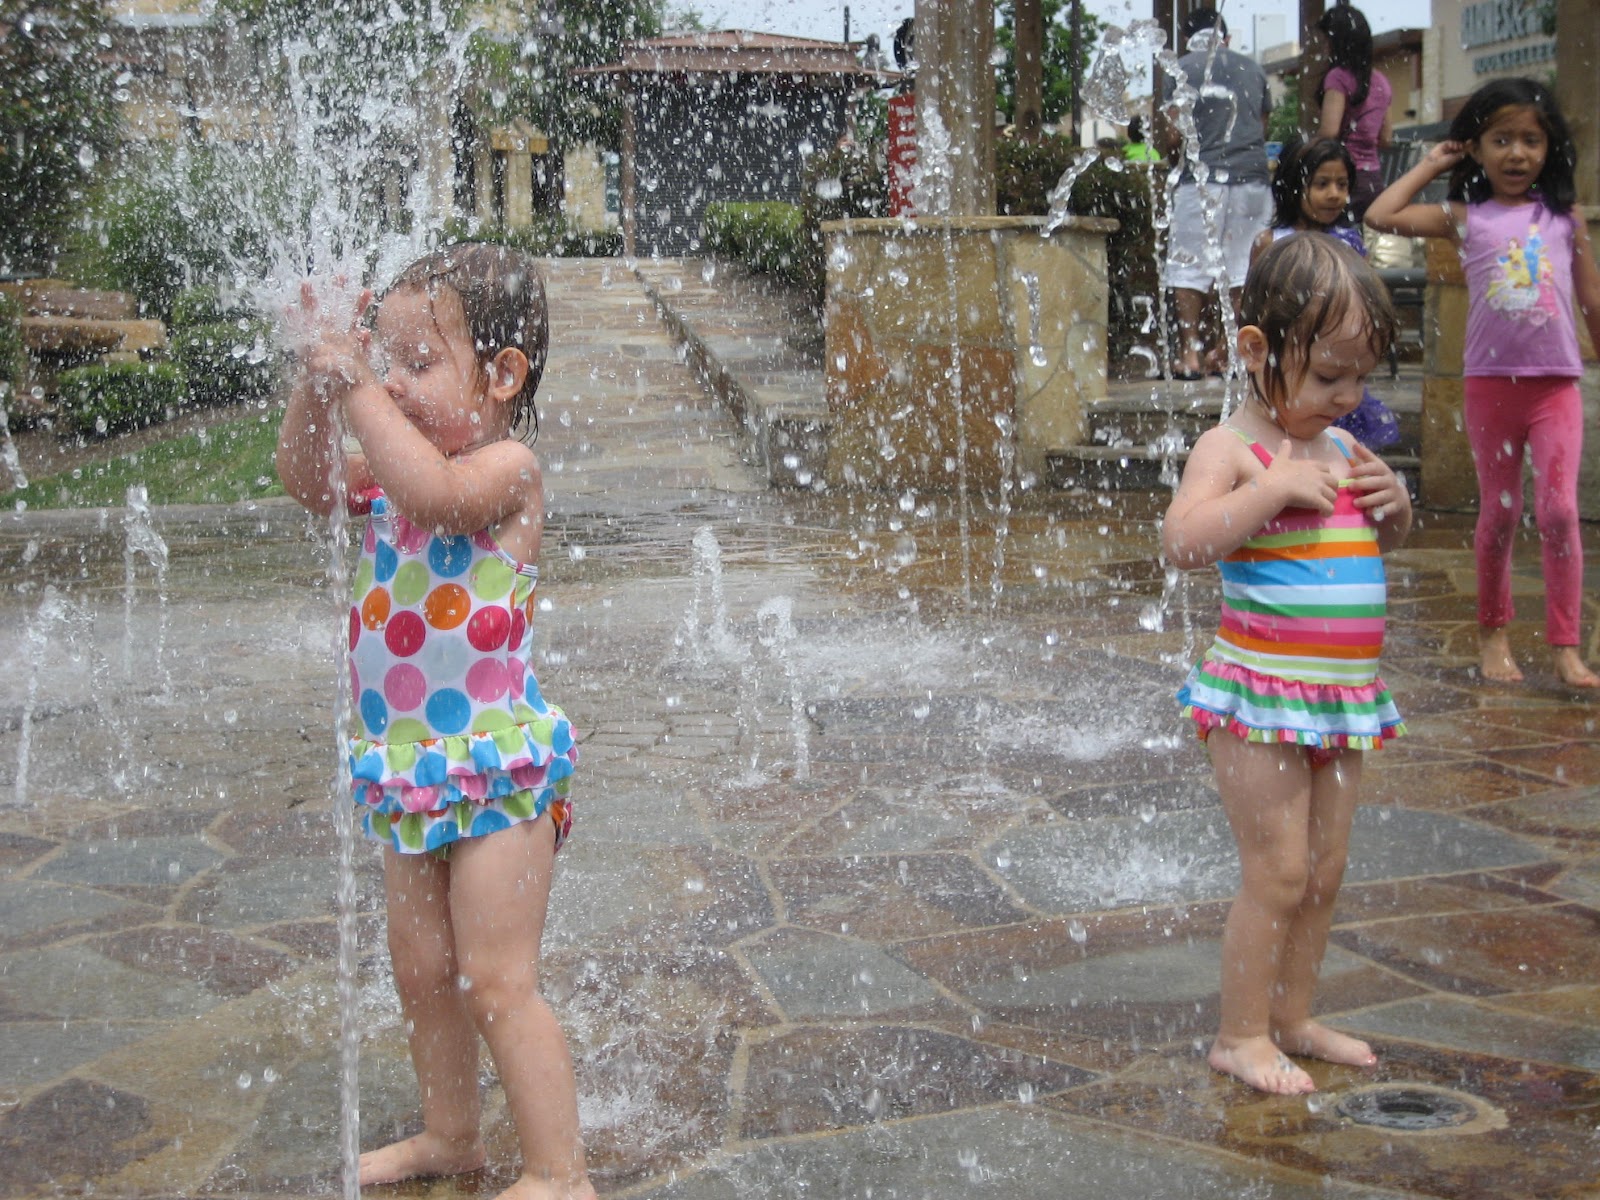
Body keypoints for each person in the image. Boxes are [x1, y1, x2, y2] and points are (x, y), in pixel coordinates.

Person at [276, 243, 598, 1199]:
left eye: (421, 365)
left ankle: (559, 1172)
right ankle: (453, 1134)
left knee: (497, 981)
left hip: (497, 779)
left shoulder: (506, 471)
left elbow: (436, 496)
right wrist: (315, 382)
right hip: (407, 772)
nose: (397, 387)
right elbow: (306, 481)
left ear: (502, 377)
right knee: (422, 972)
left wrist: (361, 384)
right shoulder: (383, 482)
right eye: (391, 359)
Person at [1163, 234, 1411, 1094]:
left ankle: (1295, 1016)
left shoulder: (1341, 450)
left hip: (1342, 700)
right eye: (1329, 377)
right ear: (1258, 351)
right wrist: (1265, 493)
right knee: (1277, 869)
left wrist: (1398, 507)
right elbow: (1182, 542)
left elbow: (1374, 539)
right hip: (1259, 700)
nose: (1347, 398)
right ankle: (1241, 1035)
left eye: (1359, 379)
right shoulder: (1233, 450)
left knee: (1327, 869)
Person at [1366, 77, 1600, 689]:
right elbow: (1380, 214)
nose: (1517, 154)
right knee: (1499, 512)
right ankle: (1492, 634)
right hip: (1491, 387)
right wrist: (1433, 160)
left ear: (1550, 148)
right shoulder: (1464, 218)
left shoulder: (1563, 219)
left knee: (1558, 511)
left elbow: (1593, 298)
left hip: (1555, 389)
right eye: (1500, 140)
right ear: (1477, 147)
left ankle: (1566, 646)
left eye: (1530, 140)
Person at [1252, 136, 1400, 448]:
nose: (1334, 195)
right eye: (1321, 184)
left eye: (1342, 185)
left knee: (1342, 449)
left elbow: (1368, 301)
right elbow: (1252, 305)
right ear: (1292, 186)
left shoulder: (1350, 243)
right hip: (1293, 369)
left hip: (1337, 364)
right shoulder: (1272, 241)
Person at [1156, 6, 1272, 380]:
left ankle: (1190, 354)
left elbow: (1172, 136)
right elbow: (1261, 128)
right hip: (1252, 181)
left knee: (1188, 267)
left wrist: (1174, 157)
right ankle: (1230, 352)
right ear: (1226, 37)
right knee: (1241, 267)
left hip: (1200, 180)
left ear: (1187, 39)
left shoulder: (1181, 68)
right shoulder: (1252, 68)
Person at [1315, 5, 1393, 223]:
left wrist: (1306, 150)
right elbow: (1386, 138)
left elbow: (1329, 131)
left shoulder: (1338, 78)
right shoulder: (1381, 81)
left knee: (1332, 242)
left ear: (1336, 41)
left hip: (1342, 178)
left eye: (1325, 40)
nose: (1323, 46)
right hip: (1373, 181)